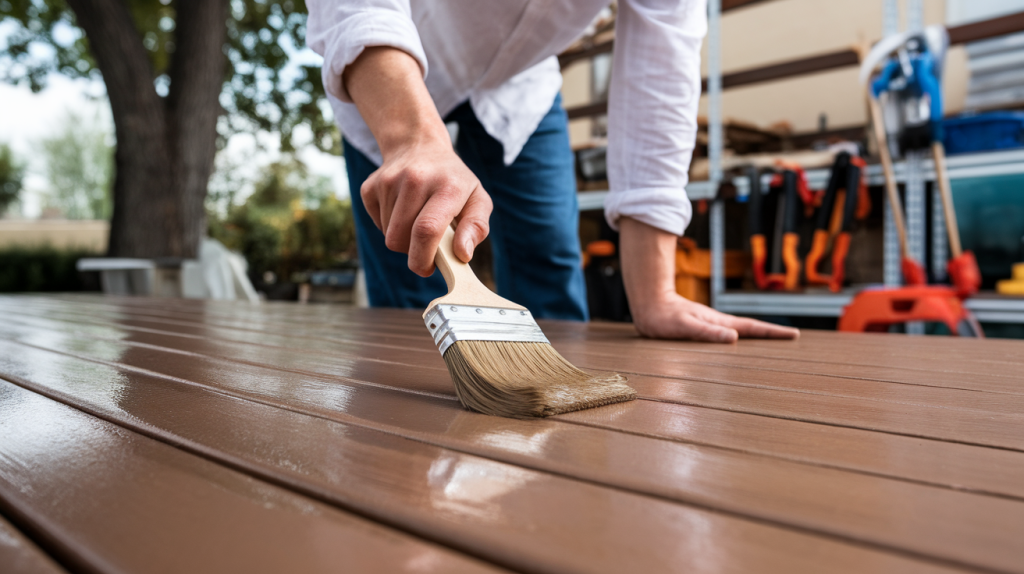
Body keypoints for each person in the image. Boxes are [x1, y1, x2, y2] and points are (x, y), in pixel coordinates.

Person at [307, 0, 798, 343]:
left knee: (550, 262)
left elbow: (661, 72)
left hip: (522, 86)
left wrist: (655, 296)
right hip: (387, 70)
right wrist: (411, 138)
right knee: (410, 274)